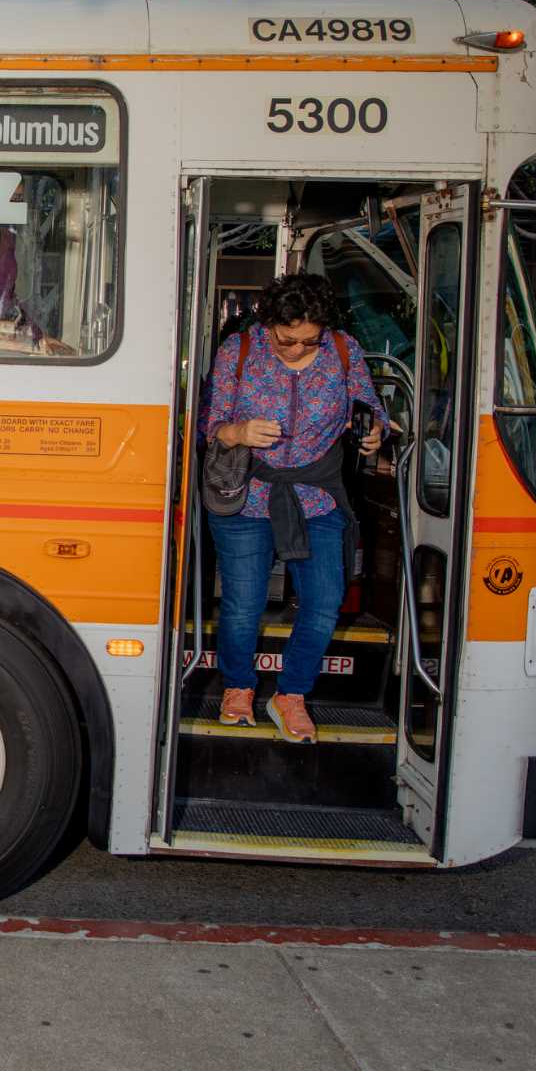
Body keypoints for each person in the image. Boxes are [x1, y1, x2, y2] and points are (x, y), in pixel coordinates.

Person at [202, 272, 386, 744]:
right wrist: (239, 432)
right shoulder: (238, 352)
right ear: (269, 325)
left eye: (310, 340)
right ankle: (239, 687)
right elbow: (209, 424)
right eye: (288, 340)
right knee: (243, 606)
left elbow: (370, 408)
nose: (299, 349)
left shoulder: (343, 351)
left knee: (324, 603)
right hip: (248, 494)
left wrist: (373, 432)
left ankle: (291, 695)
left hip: (317, 495)